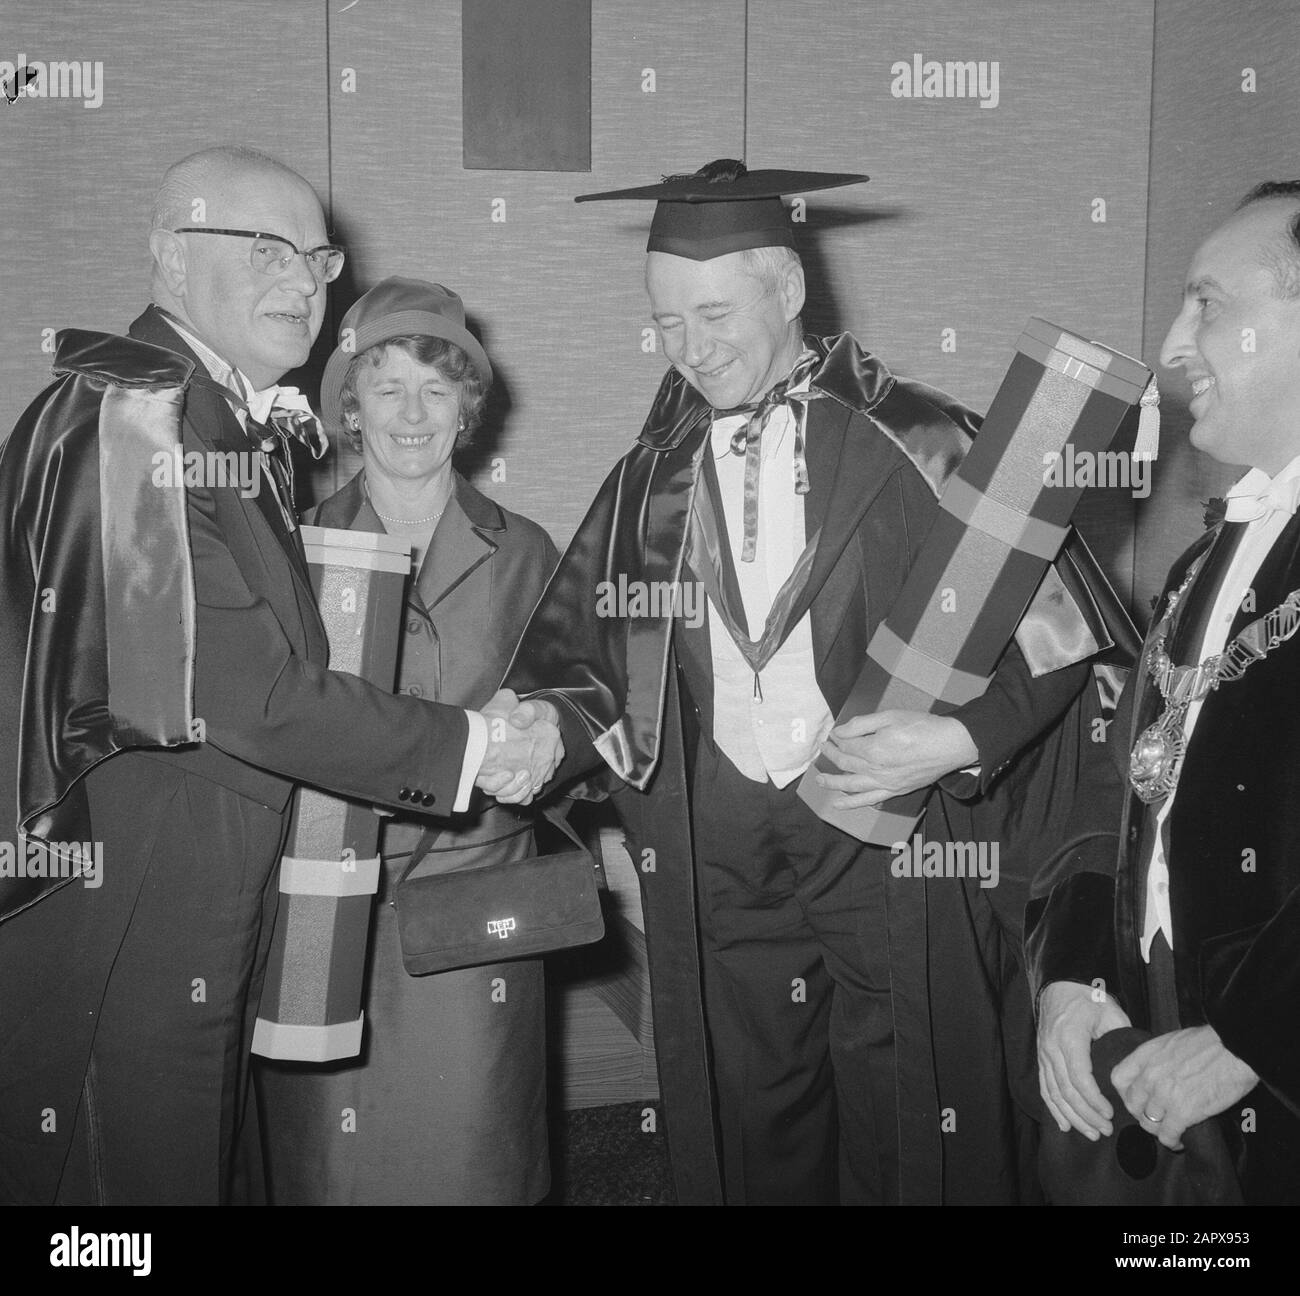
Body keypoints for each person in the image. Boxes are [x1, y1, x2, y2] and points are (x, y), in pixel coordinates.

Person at [502, 158, 1127, 1205]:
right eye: (665, 323)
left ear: (786, 292)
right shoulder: (649, 475)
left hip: (879, 821)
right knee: (750, 1090)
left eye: (712, 314)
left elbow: (1064, 635)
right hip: (718, 831)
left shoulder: (925, 440)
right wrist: (530, 728)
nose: (690, 350)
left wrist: (965, 739)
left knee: (907, 1084)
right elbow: (587, 668)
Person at [0, 146, 561, 1205]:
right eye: (263, 249)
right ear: (168, 259)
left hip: (193, 899)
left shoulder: (209, 421)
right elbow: (250, 693)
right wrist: (480, 746)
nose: (303, 281)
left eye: (316, 255)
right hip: (128, 904)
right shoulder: (135, 418)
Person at [255, 277, 558, 1205]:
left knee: (476, 1157)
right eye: (386, 387)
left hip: (479, 908)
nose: (413, 413)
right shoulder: (293, 550)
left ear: (468, 406)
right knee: (331, 1170)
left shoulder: (530, 552)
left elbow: (585, 726)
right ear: (350, 404)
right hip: (324, 911)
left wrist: (546, 738)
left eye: (438, 388)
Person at [1030, 181, 1300, 1206]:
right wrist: (1072, 975)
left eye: (1208, 305)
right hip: (1161, 1048)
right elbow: (1124, 795)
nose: (1171, 338)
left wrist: (1253, 1036)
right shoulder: (1200, 567)